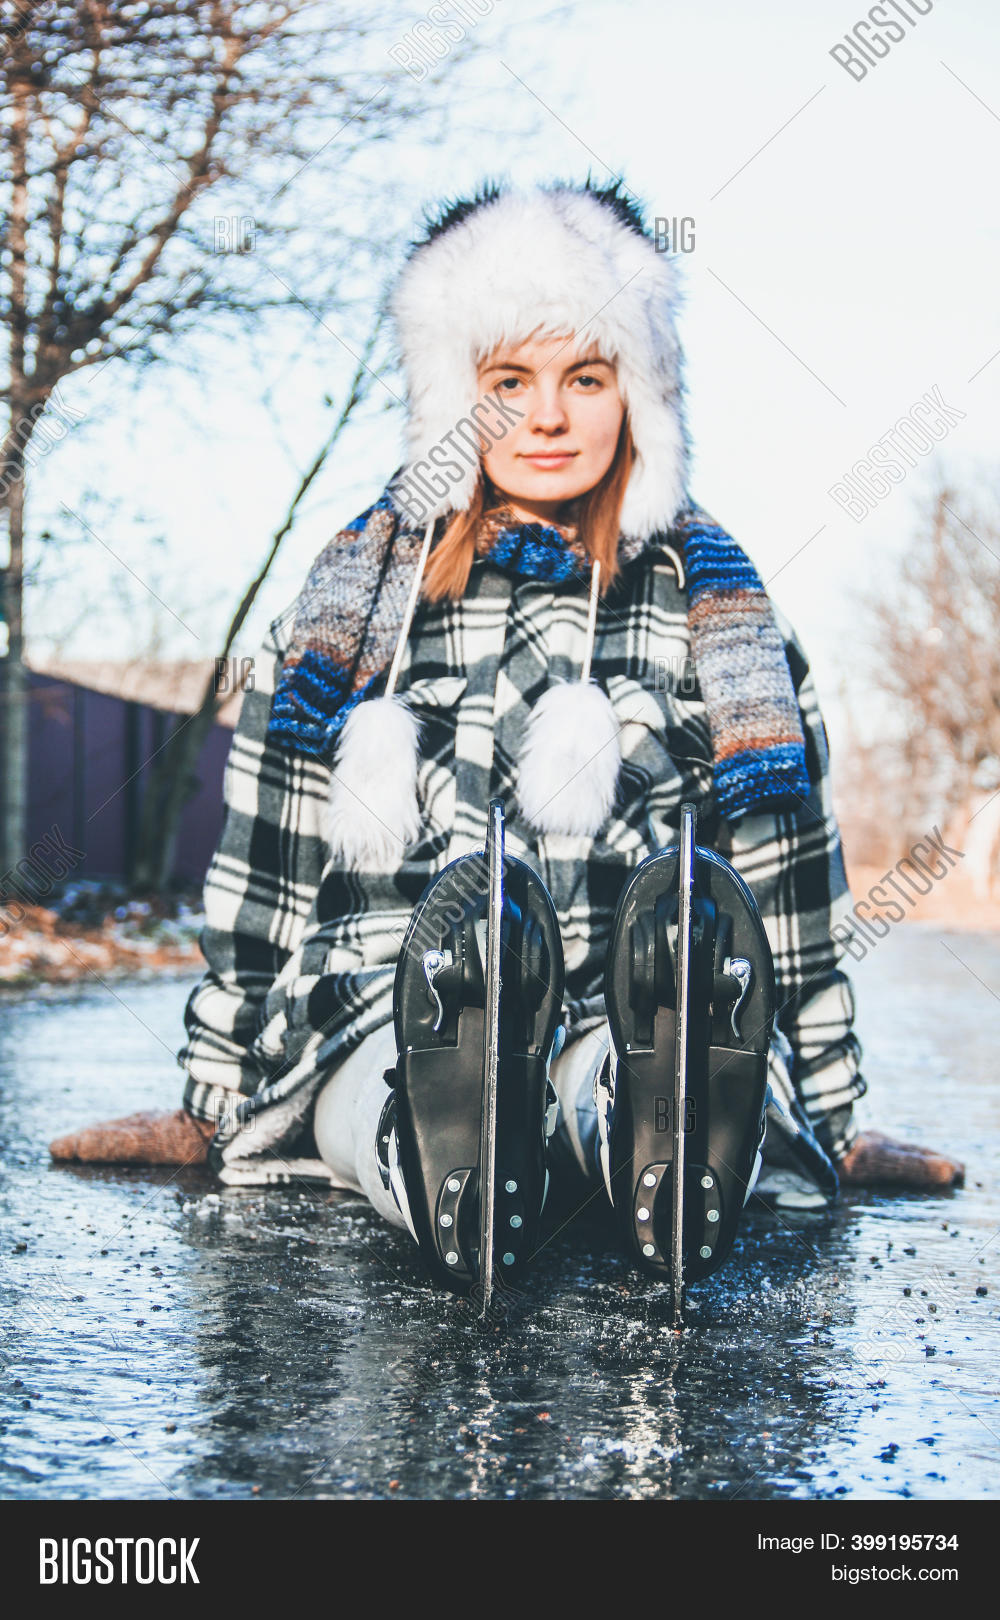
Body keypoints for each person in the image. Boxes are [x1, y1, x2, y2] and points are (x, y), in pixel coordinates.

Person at [50, 180, 963, 1263]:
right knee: (385, 1075)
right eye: (508, 382)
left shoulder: (718, 616)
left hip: (626, 1003)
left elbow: (784, 882)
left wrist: (834, 1116)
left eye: (587, 378)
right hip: (386, 999)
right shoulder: (357, 602)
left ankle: (652, 1131)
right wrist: (209, 1099)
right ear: (455, 397)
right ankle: (441, 1145)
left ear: (641, 395)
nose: (546, 417)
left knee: (626, 1062)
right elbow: (269, 865)